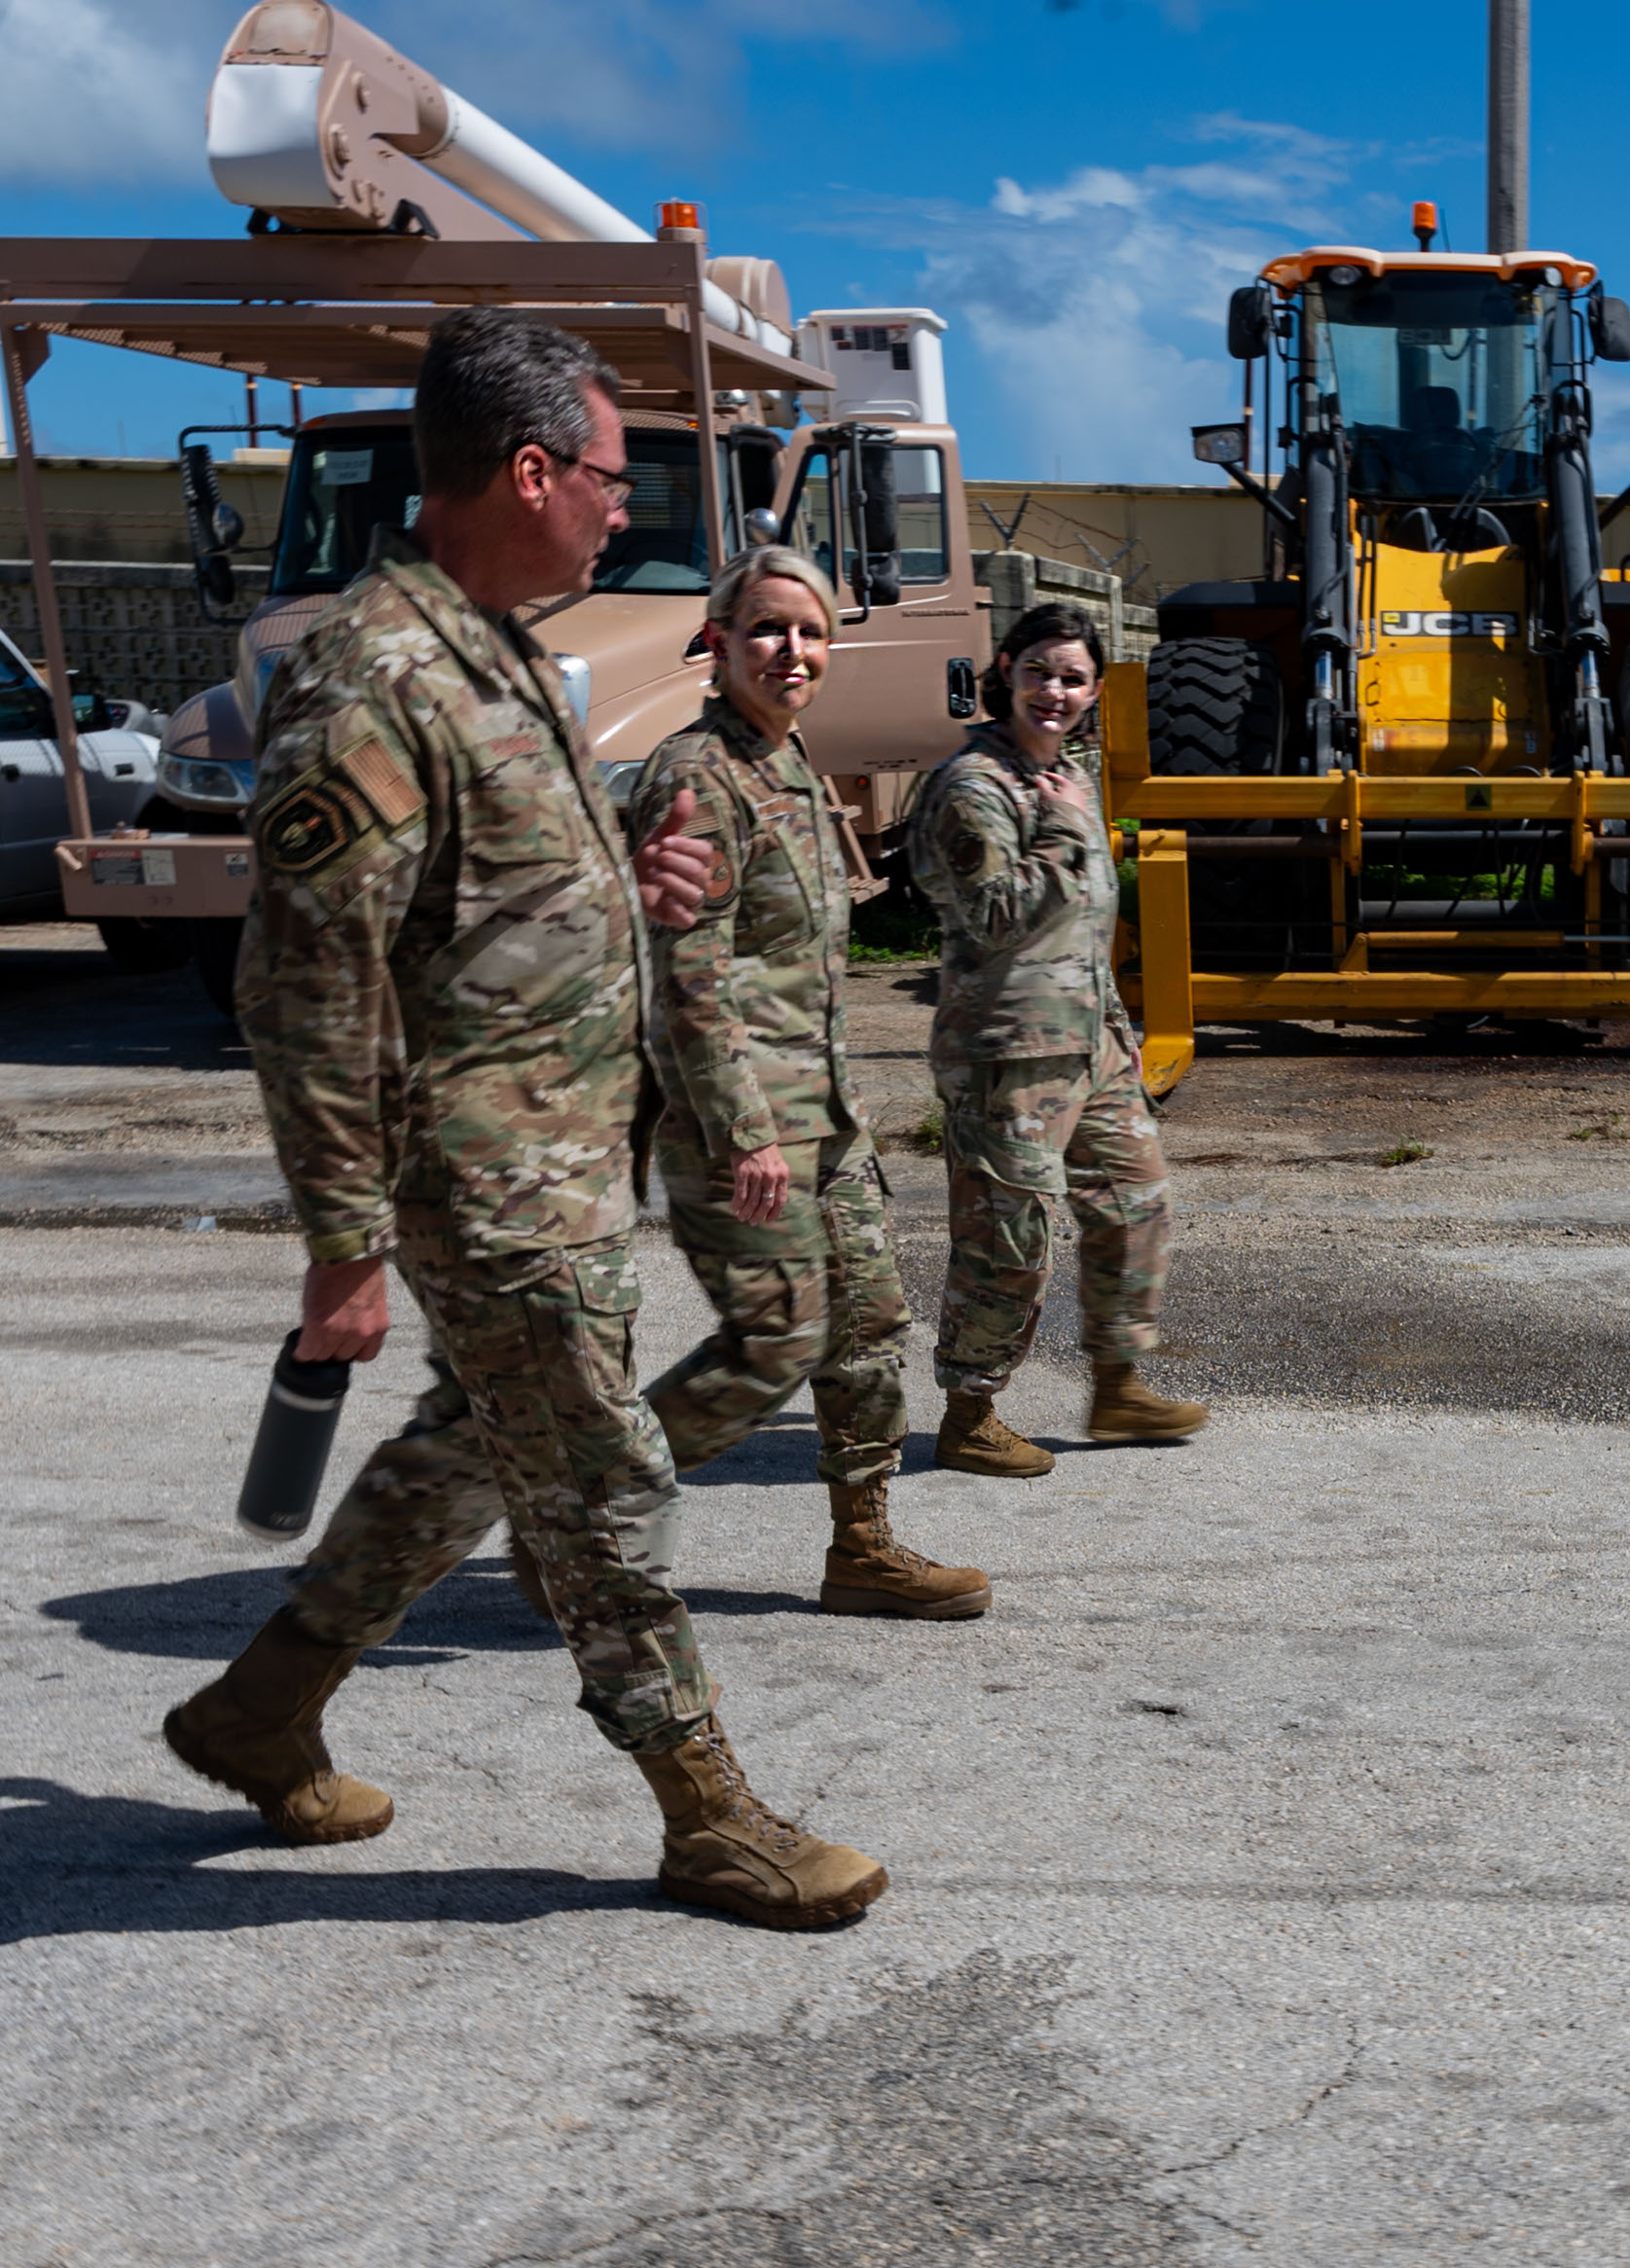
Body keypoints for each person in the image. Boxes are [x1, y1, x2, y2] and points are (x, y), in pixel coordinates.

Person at [162, 306, 884, 1930]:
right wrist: (343, 1243)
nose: (626, 506)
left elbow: (469, 899)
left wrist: (636, 881)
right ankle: (710, 1810)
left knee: (470, 1453)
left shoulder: (505, 656)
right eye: (615, 475)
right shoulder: (372, 676)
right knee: (603, 1479)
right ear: (533, 465)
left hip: (568, 1162)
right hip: (483, 1183)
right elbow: (309, 984)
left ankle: (256, 1706)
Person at [633, 543, 988, 1619]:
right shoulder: (696, 775)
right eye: (770, 629)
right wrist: (745, 1132)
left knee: (870, 1324)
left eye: (812, 631)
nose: (793, 650)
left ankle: (861, 1547)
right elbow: (688, 975)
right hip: (740, 1122)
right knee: (768, 1346)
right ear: (721, 639)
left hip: (823, 1115)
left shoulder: (788, 762)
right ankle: (581, 1494)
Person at [912, 601, 1206, 1477]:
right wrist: (1072, 834)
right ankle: (970, 1411)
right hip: (1008, 1050)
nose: (1055, 690)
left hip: (1090, 1039)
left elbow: (1082, 927)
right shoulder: (976, 788)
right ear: (1005, 668)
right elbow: (994, 914)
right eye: (1039, 670)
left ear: (1095, 689)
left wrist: (1121, 1033)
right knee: (1010, 1234)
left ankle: (1116, 1386)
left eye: (1074, 677)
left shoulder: (1067, 775)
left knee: (1134, 1201)